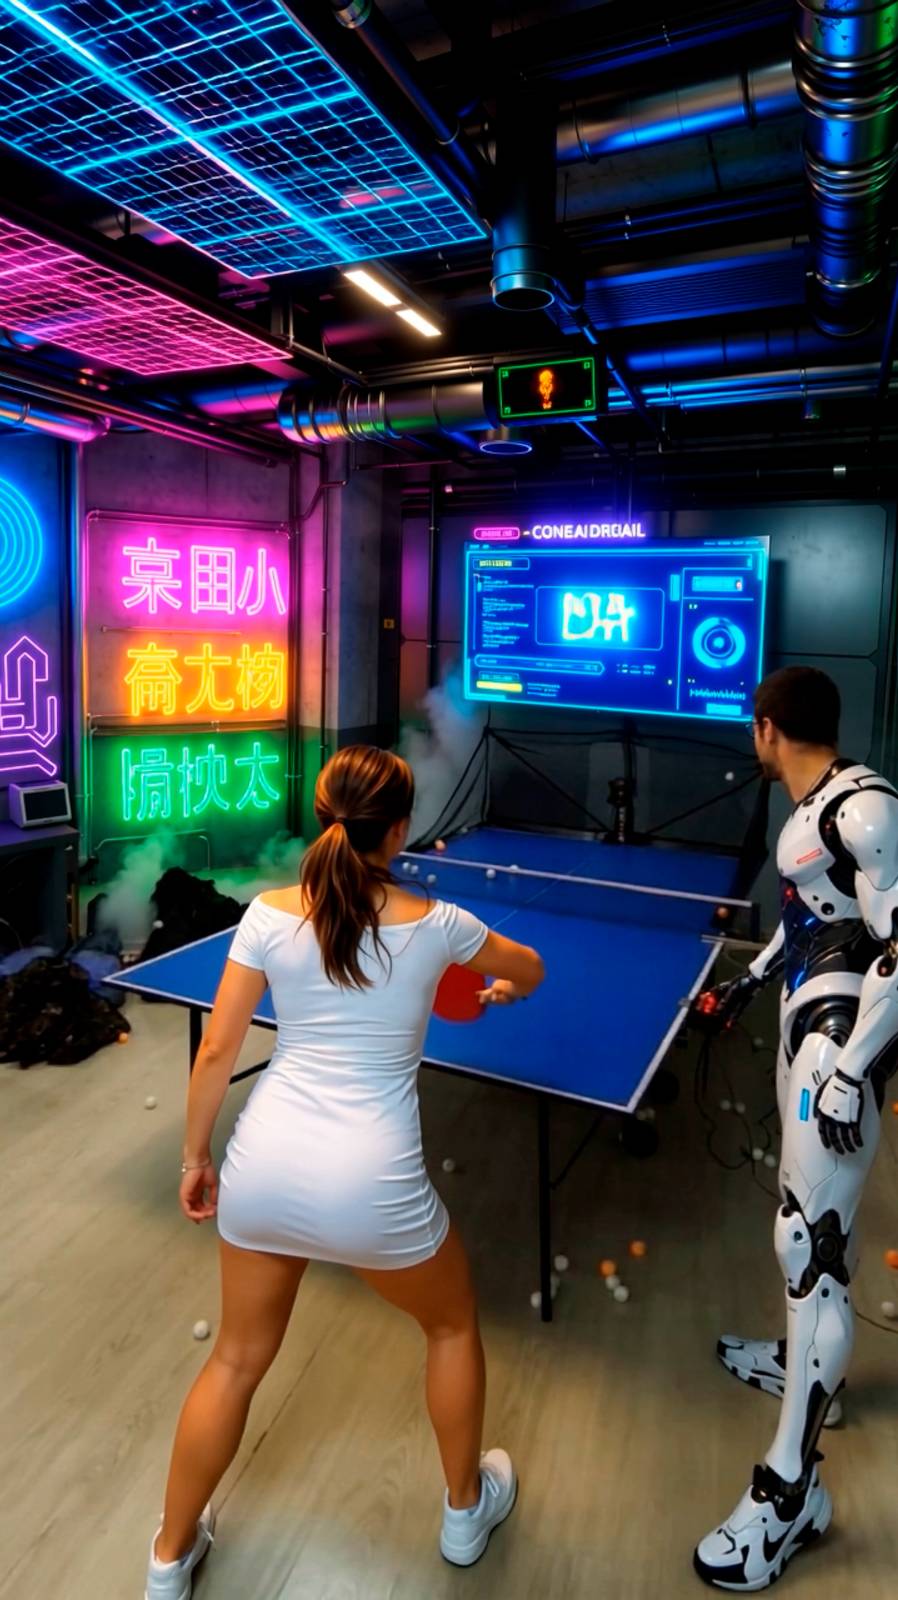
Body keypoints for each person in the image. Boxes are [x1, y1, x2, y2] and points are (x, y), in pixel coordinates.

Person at [144, 746, 545, 1599]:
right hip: (375, 1186)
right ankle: (465, 1513)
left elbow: (216, 1051)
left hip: (264, 1165)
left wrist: (195, 1157)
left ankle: (168, 1560)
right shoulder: (441, 925)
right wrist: (501, 990)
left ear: (324, 817)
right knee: (450, 1326)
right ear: (398, 830)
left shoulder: (266, 915)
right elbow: (529, 968)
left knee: (235, 1360)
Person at [692, 666, 898, 1591]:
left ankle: (789, 1494)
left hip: (839, 1041)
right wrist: (748, 978)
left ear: (767, 728)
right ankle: (809, 1366)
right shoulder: (814, 808)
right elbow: (810, 916)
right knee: (803, 1229)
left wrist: (852, 1071)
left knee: (809, 1247)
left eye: (754, 727)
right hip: (804, 1021)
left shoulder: (865, 809)